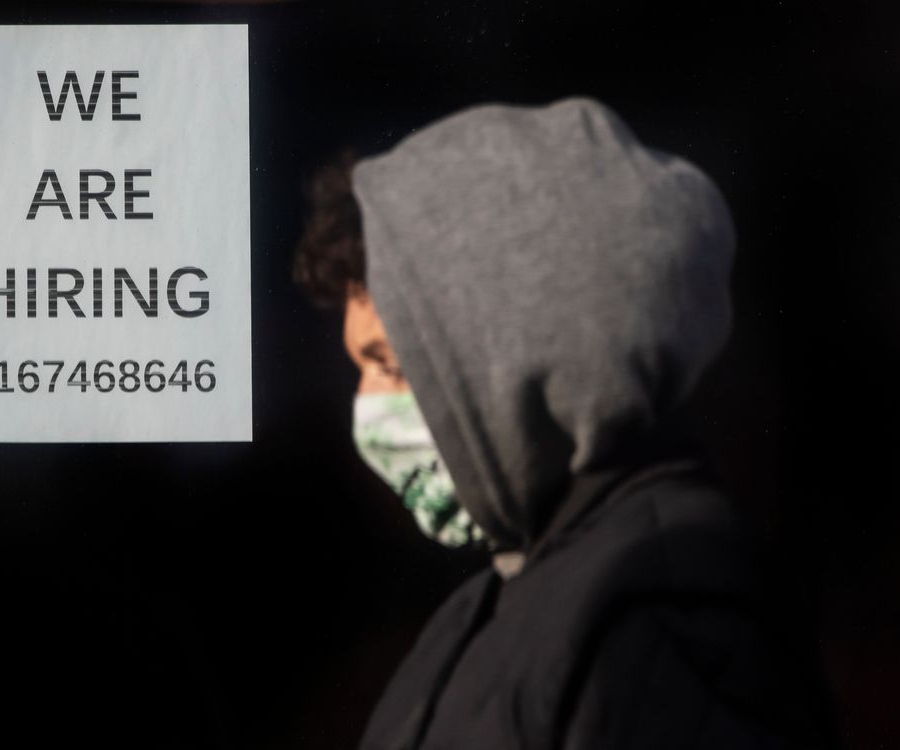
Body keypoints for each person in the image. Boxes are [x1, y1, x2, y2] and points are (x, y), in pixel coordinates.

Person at [294, 97, 832, 749]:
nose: (367, 405)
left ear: (515, 351)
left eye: (394, 367)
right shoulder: (497, 602)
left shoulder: (659, 628)